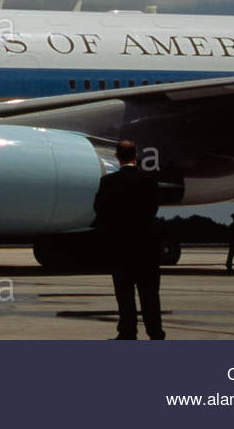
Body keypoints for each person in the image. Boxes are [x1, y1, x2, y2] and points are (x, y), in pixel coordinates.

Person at [92, 140, 165, 340]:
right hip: (146, 246)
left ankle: (127, 331)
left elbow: (99, 208)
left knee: (125, 295)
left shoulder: (108, 182)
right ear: (136, 155)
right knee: (150, 294)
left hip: (120, 246)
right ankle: (155, 332)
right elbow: (153, 208)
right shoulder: (149, 180)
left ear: (117, 157)